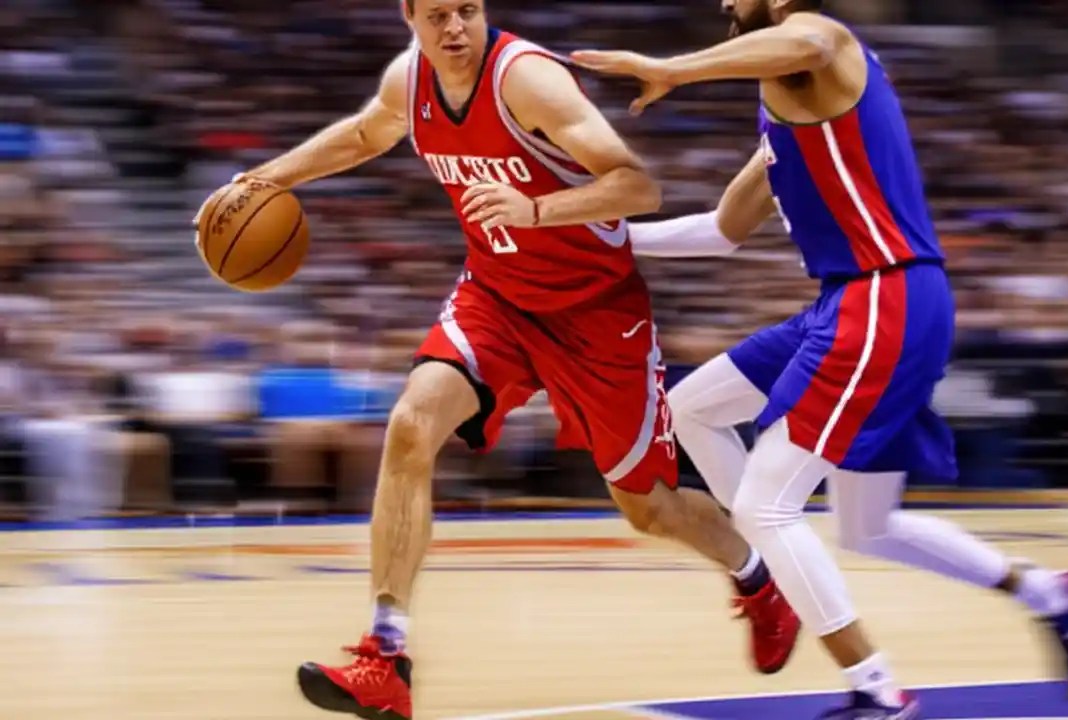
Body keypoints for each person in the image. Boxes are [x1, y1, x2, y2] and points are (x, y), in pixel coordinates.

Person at [193, 2, 800, 718]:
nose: (455, 28)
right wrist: (259, 183)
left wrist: (535, 209)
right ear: (408, 16)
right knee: (411, 426)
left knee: (650, 508)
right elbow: (362, 135)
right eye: (439, 14)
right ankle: (386, 656)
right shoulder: (409, 82)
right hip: (498, 298)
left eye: (469, 10)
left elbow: (639, 185)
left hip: (595, 313)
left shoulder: (528, 80)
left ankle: (758, 581)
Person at [573, 1, 1068, 717]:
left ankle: (877, 690)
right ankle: (1053, 594)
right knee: (725, 431)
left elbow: (809, 41)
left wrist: (673, 68)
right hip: (855, 303)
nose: (726, 3)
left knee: (767, 502)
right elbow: (725, 230)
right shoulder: (785, 113)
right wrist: (598, 241)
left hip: (884, 300)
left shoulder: (822, 44)